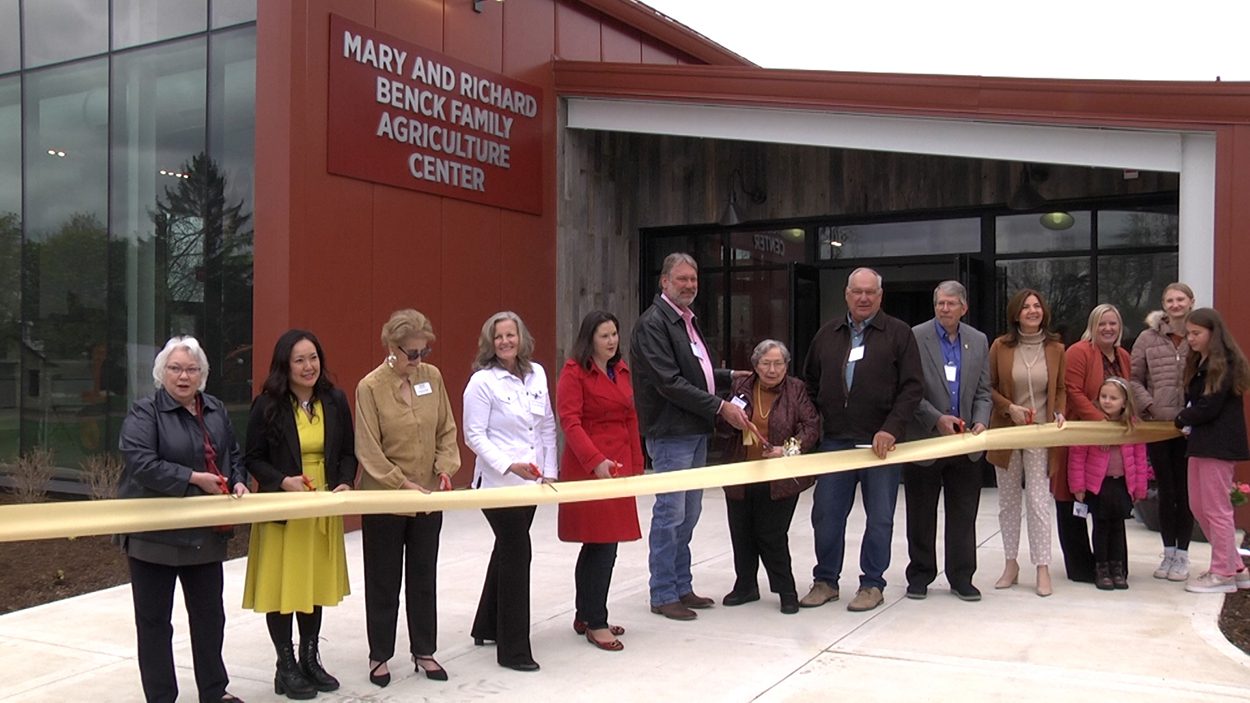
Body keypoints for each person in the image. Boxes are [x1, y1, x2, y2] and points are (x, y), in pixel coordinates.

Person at [117, 336, 249, 703]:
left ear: (202, 375)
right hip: (154, 538)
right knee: (155, 624)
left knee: (210, 620)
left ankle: (214, 692)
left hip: (204, 534)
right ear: (162, 373)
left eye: (192, 369)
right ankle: (161, 697)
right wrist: (193, 479)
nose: (183, 376)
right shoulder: (145, 412)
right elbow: (141, 463)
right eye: (175, 368)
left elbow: (234, 454)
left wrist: (238, 480)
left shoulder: (216, 409)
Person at [630, 253, 749, 621]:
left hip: (694, 431)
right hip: (671, 434)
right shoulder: (653, 324)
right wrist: (720, 406)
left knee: (690, 513)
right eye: (681, 279)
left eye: (693, 280)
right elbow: (669, 382)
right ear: (664, 282)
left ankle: (681, 585)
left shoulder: (685, 321)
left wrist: (729, 377)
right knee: (671, 514)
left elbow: (696, 370)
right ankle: (663, 592)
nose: (689, 286)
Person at [800, 267, 923, 613]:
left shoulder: (899, 334)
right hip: (835, 443)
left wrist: (891, 428)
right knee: (825, 515)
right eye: (858, 292)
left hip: (879, 446)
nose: (864, 298)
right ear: (847, 294)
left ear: (881, 296)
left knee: (880, 516)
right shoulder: (827, 334)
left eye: (871, 292)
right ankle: (825, 580)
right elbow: (808, 384)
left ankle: (872, 584)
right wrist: (815, 426)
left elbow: (913, 388)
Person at [243, 330, 355, 699]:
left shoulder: (335, 400)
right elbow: (253, 457)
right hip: (284, 506)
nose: (309, 367)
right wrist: (281, 481)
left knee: (312, 584)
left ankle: (310, 658)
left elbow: (347, 453)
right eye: (299, 360)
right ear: (285, 365)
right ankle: (285, 665)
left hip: (322, 503)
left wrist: (344, 483)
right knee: (283, 587)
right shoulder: (268, 405)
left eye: (313, 358)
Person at [355, 310, 460, 686]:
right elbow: (368, 450)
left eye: (423, 352)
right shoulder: (369, 387)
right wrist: (401, 484)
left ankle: (424, 650)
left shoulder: (432, 378)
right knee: (383, 578)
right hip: (385, 498)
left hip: (428, 494)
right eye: (411, 353)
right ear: (390, 347)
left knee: (423, 574)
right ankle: (379, 655)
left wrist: (446, 466)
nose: (418, 361)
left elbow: (447, 429)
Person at [463, 311, 557, 671]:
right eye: (498, 337)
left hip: (530, 484)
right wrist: (507, 465)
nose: (505, 342)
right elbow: (474, 435)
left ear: (521, 338)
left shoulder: (537, 374)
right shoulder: (482, 382)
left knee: (507, 549)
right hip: (498, 485)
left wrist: (549, 471)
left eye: (510, 335)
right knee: (519, 553)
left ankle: (486, 625)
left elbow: (546, 424)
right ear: (490, 342)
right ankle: (514, 650)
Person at [556, 311, 643, 651]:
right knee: (601, 544)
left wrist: (636, 466)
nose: (611, 341)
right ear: (589, 338)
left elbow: (631, 418)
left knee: (604, 544)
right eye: (604, 335)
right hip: (590, 467)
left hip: (619, 465)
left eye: (614, 334)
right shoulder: (574, 372)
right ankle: (596, 621)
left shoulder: (620, 370)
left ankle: (586, 613)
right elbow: (570, 421)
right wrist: (595, 462)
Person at [904, 281, 992, 602]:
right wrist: (935, 418)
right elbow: (909, 390)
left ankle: (961, 576)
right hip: (925, 440)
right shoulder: (915, 337)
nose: (945, 309)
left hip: (965, 444)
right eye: (940, 303)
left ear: (964, 308)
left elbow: (984, 390)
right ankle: (920, 575)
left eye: (951, 304)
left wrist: (982, 420)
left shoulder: (979, 341)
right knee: (921, 513)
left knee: (963, 514)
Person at [718, 340, 820, 614]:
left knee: (771, 534)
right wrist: (730, 421)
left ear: (787, 366)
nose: (772, 369)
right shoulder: (741, 387)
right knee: (741, 532)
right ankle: (746, 586)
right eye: (766, 363)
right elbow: (723, 426)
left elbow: (811, 427)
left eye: (778, 364)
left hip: (779, 478)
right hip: (742, 472)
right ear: (755, 365)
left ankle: (786, 590)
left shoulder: (796, 389)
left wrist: (787, 449)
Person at [988, 289, 1066, 597]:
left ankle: (1042, 567)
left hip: (1040, 433)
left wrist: (1059, 412)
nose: (1032, 311)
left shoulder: (1056, 348)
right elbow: (989, 388)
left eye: (1036, 306)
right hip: (1008, 431)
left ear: (1043, 311)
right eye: (1026, 307)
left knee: (1037, 501)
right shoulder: (1001, 346)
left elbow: (1060, 388)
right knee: (1008, 502)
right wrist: (1010, 407)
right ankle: (1011, 564)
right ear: (1016, 314)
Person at [1174, 308, 1250, 593]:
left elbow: (1209, 406)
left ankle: (1222, 574)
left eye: (1196, 333)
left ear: (1213, 334)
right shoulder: (1201, 362)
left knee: (1217, 509)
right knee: (1198, 505)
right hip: (1201, 443)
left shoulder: (1224, 364)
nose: (1190, 338)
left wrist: (1182, 418)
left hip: (1218, 446)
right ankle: (1236, 567)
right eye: (1189, 333)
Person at [1061, 303, 1132, 583]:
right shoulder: (1079, 352)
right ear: (1092, 325)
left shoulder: (1123, 355)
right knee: (1076, 503)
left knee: (1112, 511)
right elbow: (1072, 389)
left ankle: (1114, 565)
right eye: (1102, 323)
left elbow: (1129, 390)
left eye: (1113, 323)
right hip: (1086, 438)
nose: (1108, 328)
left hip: (1116, 446)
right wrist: (1098, 421)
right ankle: (1083, 567)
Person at [1130, 283, 1196, 581]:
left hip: (1190, 430)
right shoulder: (1148, 338)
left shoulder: (1200, 335)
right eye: (1170, 299)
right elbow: (1133, 379)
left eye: (1180, 299)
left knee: (1186, 493)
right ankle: (1168, 552)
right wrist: (1151, 406)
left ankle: (1183, 555)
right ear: (1163, 304)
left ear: (1191, 302)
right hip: (1159, 427)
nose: (1175, 304)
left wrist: (1194, 414)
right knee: (1166, 492)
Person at [1067, 377, 1148, 591]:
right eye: (1104, 396)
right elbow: (1077, 455)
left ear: (1125, 401)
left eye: (1113, 398)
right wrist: (1078, 486)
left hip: (1121, 484)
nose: (1107, 401)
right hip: (1098, 485)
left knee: (1118, 527)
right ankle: (1101, 569)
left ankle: (1118, 569)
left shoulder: (1132, 426)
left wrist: (1140, 487)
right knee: (1101, 527)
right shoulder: (1092, 425)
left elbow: (1140, 458)